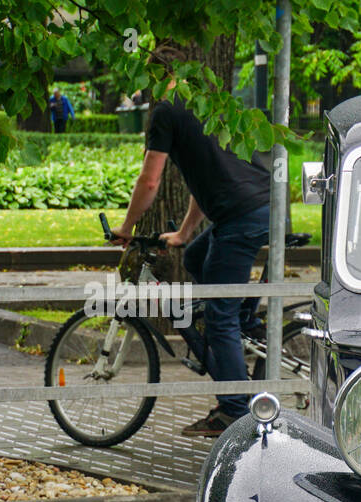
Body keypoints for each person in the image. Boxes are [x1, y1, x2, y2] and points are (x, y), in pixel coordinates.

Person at [111, 84, 272, 438]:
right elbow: (206, 178)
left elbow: (149, 181)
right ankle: (246, 324)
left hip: (241, 217)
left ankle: (233, 411)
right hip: (253, 207)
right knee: (197, 258)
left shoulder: (165, 111)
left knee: (219, 317)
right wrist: (184, 235)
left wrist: (126, 227)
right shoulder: (205, 99)